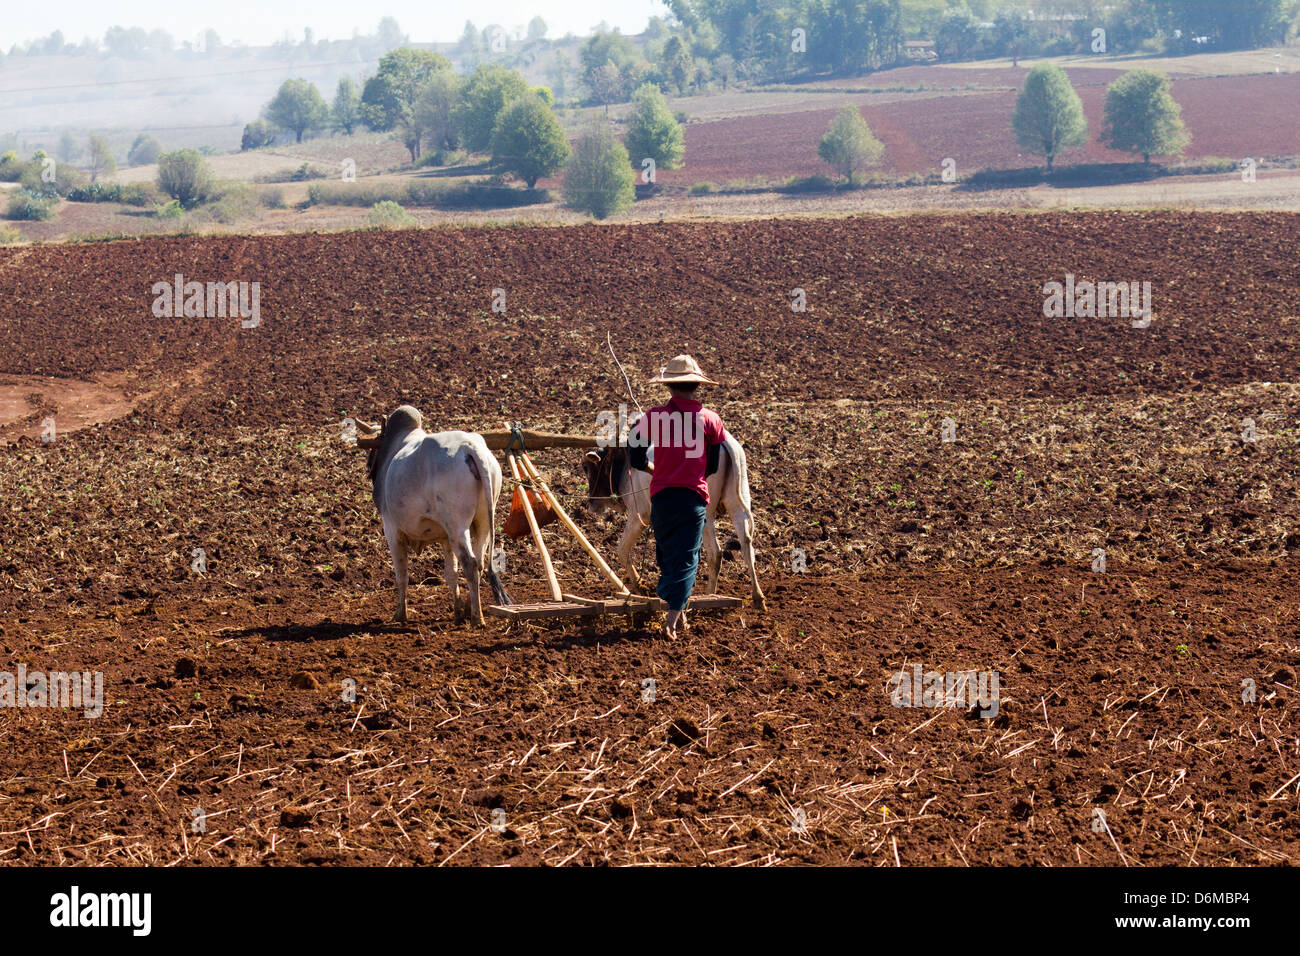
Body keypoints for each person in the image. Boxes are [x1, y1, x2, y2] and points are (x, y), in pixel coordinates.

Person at [627, 355, 727, 639]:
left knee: (669, 555)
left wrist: (655, 468)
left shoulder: (653, 417)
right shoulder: (711, 419)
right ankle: (673, 617)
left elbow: (634, 454)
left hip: (661, 497)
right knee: (687, 557)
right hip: (693, 497)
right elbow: (713, 466)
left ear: (669, 387)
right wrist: (690, 475)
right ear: (697, 385)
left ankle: (675, 614)